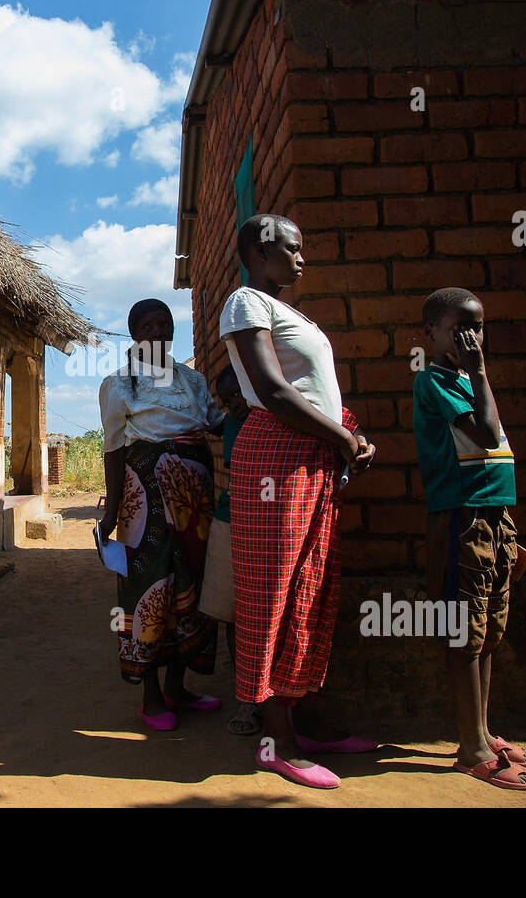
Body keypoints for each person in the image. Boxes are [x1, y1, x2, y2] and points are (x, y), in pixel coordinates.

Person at [219, 214, 377, 790]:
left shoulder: (289, 312)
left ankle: (304, 719)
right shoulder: (244, 303)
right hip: (278, 458)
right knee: (274, 589)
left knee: (311, 584)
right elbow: (272, 389)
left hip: (311, 456)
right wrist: (341, 438)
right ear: (260, 252)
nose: (301, 258)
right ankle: (275, 741)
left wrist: (345, 439)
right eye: (292, 248)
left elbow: (311, 391)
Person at [413, 287, 526, 790]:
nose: (472, 338)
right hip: (460, 518)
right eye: (460, 329)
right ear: (431, 334)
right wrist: (481, 371)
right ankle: (470, 749)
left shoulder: (468, 378)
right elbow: (486, 434)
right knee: (463, 634)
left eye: (479, 328)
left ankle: (484, 734)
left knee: (489, 630)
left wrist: (478, 373)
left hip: (494, 516)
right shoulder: (435, 381)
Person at [98, 299, 225, 730]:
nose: (156, 331)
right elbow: (114, 450)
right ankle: (151, 697)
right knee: (149, 585)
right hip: (146, 497)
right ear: (134, 333)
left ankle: (178, 687)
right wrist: (112, 509)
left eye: (164, 324)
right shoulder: (120, 384)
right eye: (147, 325)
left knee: (193, 582)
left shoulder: (191, 379)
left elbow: (215, 424)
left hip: (194, 498)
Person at [196, 365, 259, 736]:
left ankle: (265, 696)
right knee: (233, 614)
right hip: (231, 520)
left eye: (238, 394)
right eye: (226, 400)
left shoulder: (271, 418)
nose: (234, 404)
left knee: (258, 613)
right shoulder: (236, 424)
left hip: (263, 525)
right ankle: (247, 697)